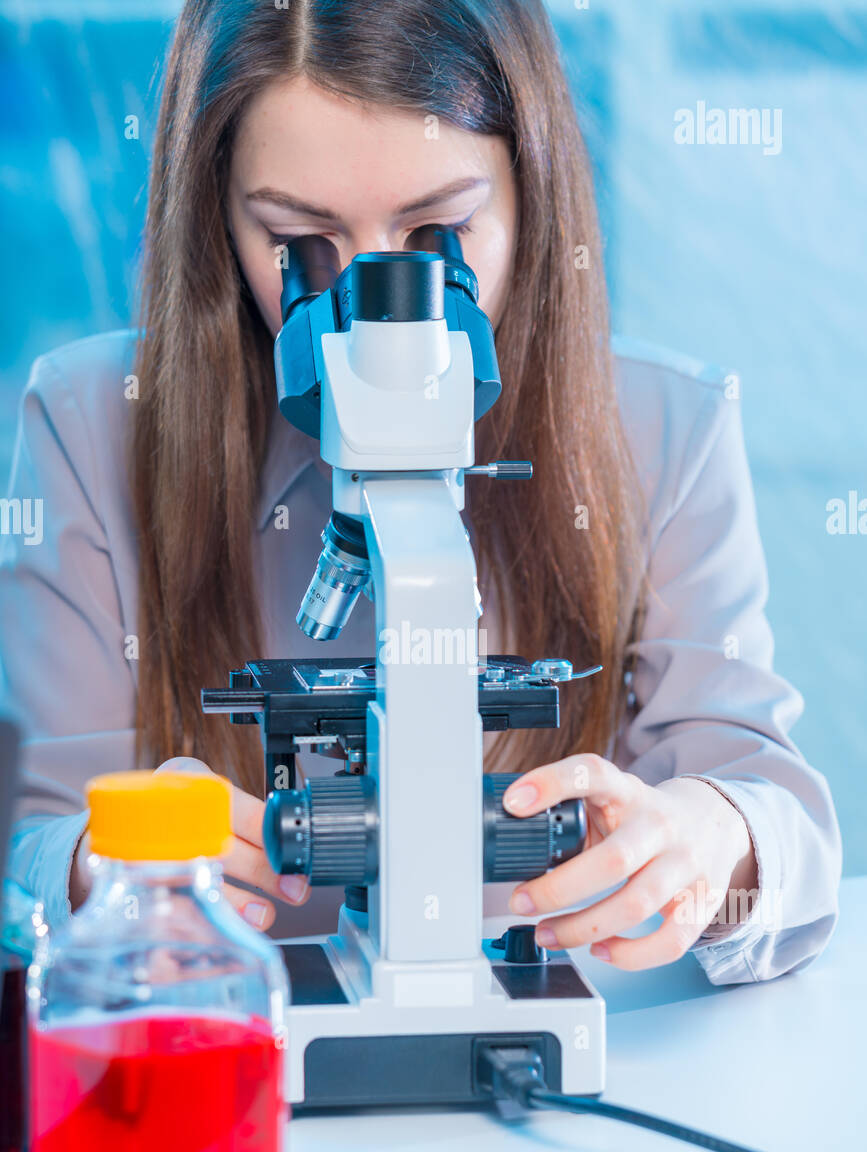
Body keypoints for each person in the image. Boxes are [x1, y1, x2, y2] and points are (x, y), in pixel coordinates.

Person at [0, 0, 841, 985]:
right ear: (217, 218)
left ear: (533, 192)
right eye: (300, 242)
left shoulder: (666, 429)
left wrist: (714, 841)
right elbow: (30, 850)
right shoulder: (94, 421)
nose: (372, 304)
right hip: (223, 1078)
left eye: (438, 231)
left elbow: (789, 833)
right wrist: (101, 868)